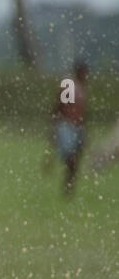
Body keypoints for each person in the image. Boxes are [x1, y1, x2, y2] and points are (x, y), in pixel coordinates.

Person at [52, 60, 89, 197]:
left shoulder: (82, 88)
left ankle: (69, 184)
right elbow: (59, 106)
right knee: (71, 158)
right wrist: (55, 125)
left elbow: (83, 111)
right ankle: (68, 185)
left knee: (76, 158)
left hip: (77, 127)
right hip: (66, 125)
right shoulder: (69, 85)